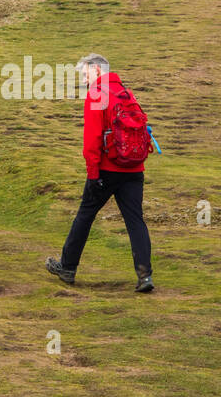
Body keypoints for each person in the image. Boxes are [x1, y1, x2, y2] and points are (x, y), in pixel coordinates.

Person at [46, 54, 154, 292]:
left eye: (85, 75)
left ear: (96, 70)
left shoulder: (98, 93)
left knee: (85, 216)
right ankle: (145, 276)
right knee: (136, 221)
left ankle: (67, 267)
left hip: (107, 168)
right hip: (134, 168)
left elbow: (92, 139)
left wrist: (93, 173)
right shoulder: (126, 93)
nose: (84, 81)